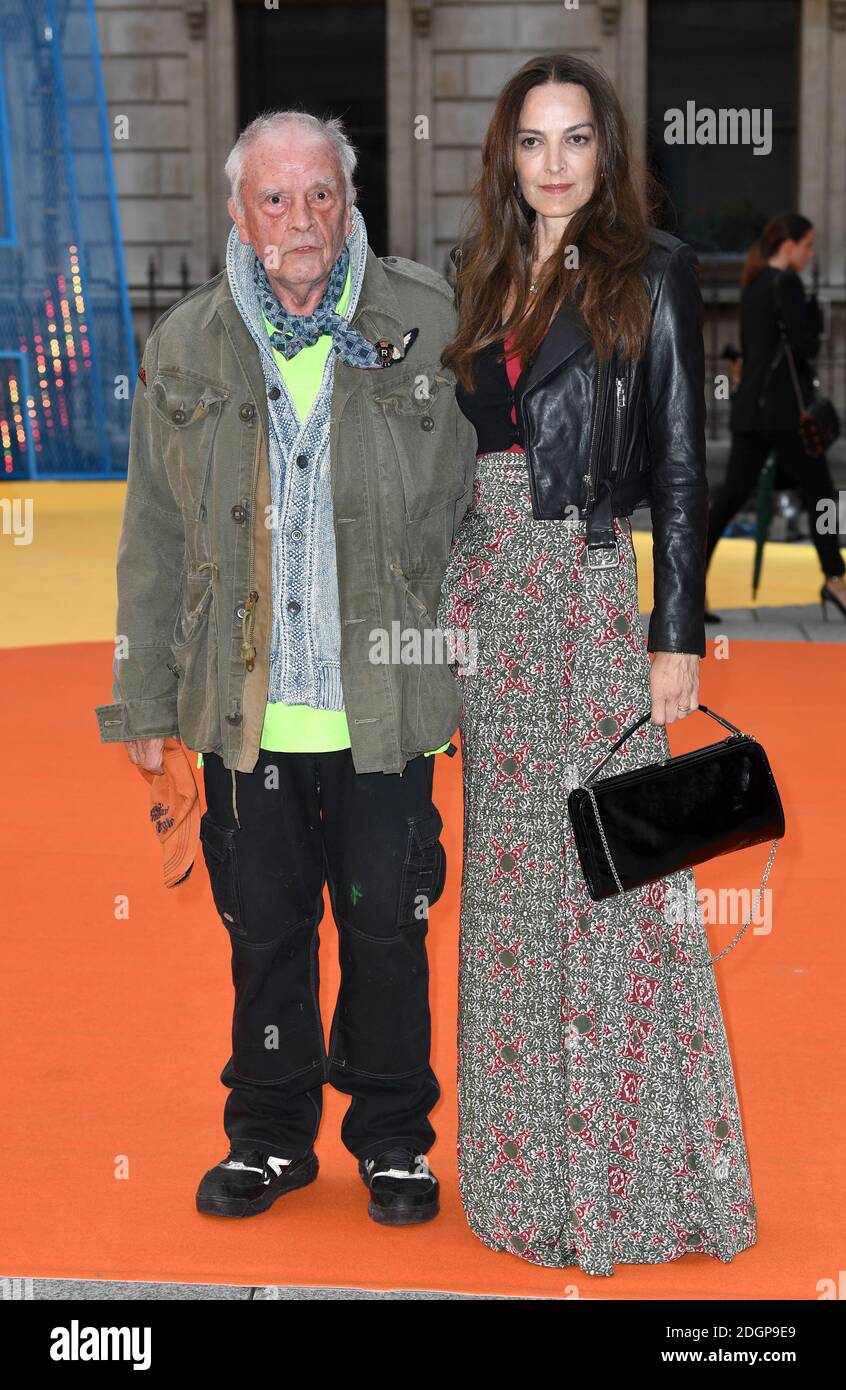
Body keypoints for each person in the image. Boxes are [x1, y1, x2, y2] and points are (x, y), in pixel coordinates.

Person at [95, 111, 479, 1226]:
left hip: (384, 706)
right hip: (244, 710)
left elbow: (480, 508)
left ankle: (395, 1138)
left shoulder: (425, 324)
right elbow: (153, 539)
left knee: (387, 929)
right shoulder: (186, 347)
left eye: (320, 194)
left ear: (348, 199)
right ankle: (269, 1135)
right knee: (264, 931)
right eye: (274, 199)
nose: (300, 221)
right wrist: (143, 700)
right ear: (237, 212)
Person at [436, 53, 756, 1276]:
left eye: (576, 140)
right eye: (533, 142)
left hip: (580, 595)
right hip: (489, 605)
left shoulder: (653, 274)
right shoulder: (479, 277)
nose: (555, 162)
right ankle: (523, 1169)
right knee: (515, 891)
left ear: (604, 152)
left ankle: (633, 1181)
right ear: (506, 158)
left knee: (616, 879)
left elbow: (681, 462)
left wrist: (675, 630)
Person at [704, 213, 846, 621]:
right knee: (820, 491)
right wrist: (813, 321)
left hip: (752, 412)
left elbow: (754, 351)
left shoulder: (752, 286)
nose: (810, 253)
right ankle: (835, 579)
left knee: (730, 498)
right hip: (783, 414)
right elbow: (804, 346)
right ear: (790, 246)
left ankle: (690, 587)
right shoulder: (788, 283)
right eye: (807, 245)